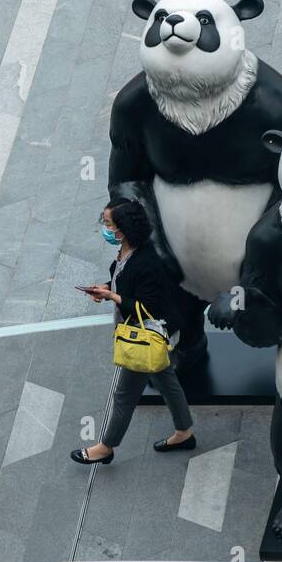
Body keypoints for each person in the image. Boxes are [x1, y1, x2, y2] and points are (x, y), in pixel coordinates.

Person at [71, 198, 196, 465]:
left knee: (125, 395)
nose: (104, 227)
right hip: (153, 332)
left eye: (107, 223)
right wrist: (106, 290)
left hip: (147, 335)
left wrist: (113, 297)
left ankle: (106, 447)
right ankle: (184, 432)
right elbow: (126, 284)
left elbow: (146, 304)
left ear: (123, 228)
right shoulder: (128, 252)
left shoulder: (147, 260)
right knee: (166, 380)